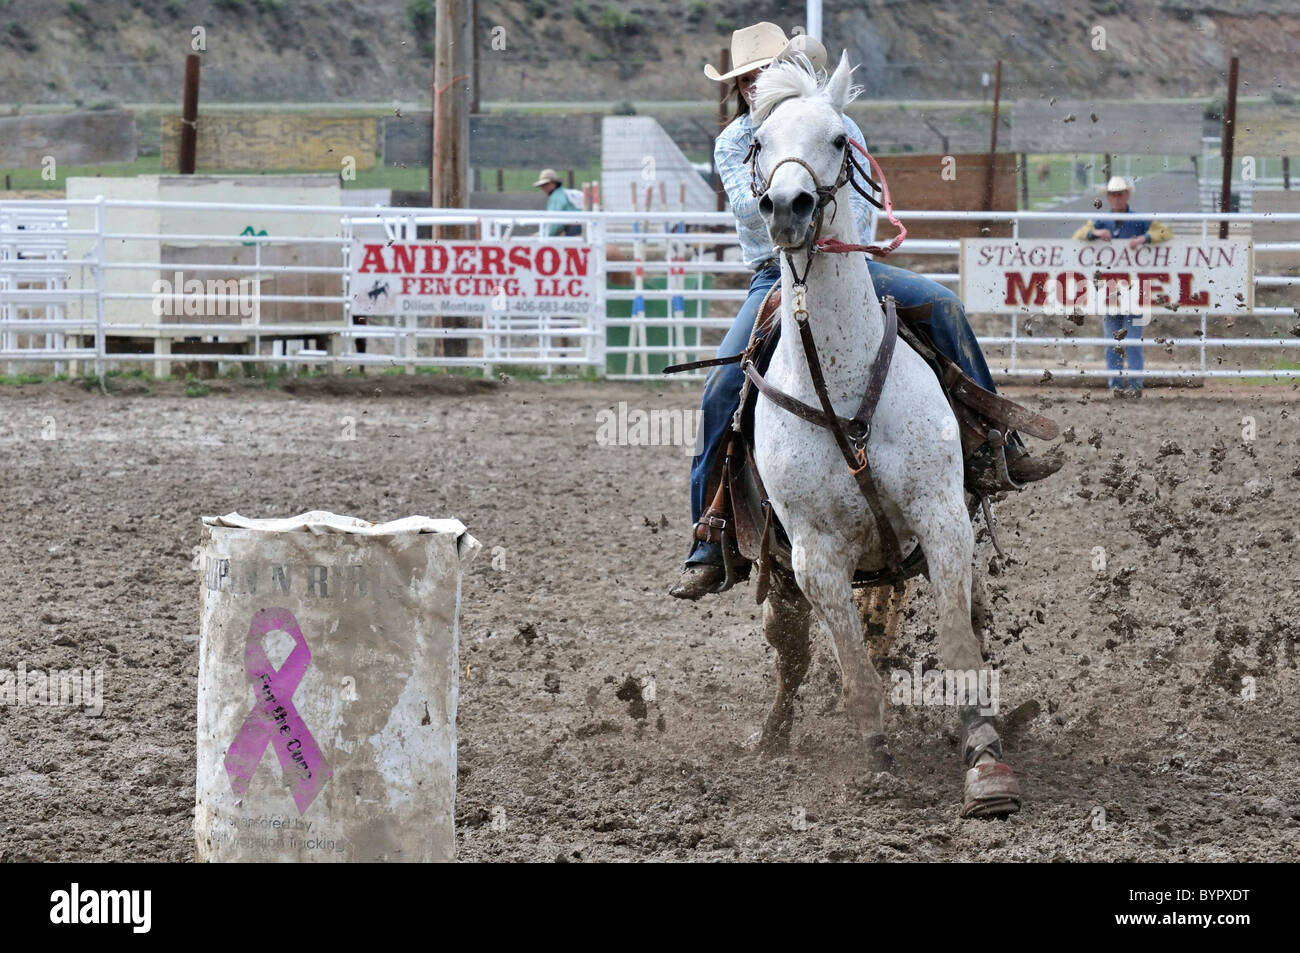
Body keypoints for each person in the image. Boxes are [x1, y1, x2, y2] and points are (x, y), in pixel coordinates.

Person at [670, 23, 1061, 600]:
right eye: (747, 79)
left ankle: (996, 444)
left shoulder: (837, 124)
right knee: (721, 388)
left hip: (848, 265)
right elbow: (754, 213)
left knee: (945, 307)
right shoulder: (736, 141)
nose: (758, 86)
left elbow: (858, 205)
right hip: (774, 274)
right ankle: (711, 533)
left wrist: (832, 242)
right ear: (739, 88)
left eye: (766, 72)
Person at [1072, 176, 1173, 397]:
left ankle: (1135, 385)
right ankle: (1116, 384)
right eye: (1113, 194)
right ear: (1108, 197)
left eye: (1119, 194)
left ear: (1126, 196)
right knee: (1112, 341)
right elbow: (1079, 235)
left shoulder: (1139, 220)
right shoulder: (1100, 222)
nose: (1116, 198)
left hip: (1134, 290)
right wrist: (1095, 234)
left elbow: (1164, 232)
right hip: (1110, 290)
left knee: (1133, 340)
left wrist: (1144, 238)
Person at [533, 168, 582, 237]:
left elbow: (554, 224)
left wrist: (542, 235)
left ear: (554, 183)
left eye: (546, 184)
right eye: (542, 185)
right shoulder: (567, 193)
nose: (543, 188)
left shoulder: (556, 198)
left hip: (576, 229)